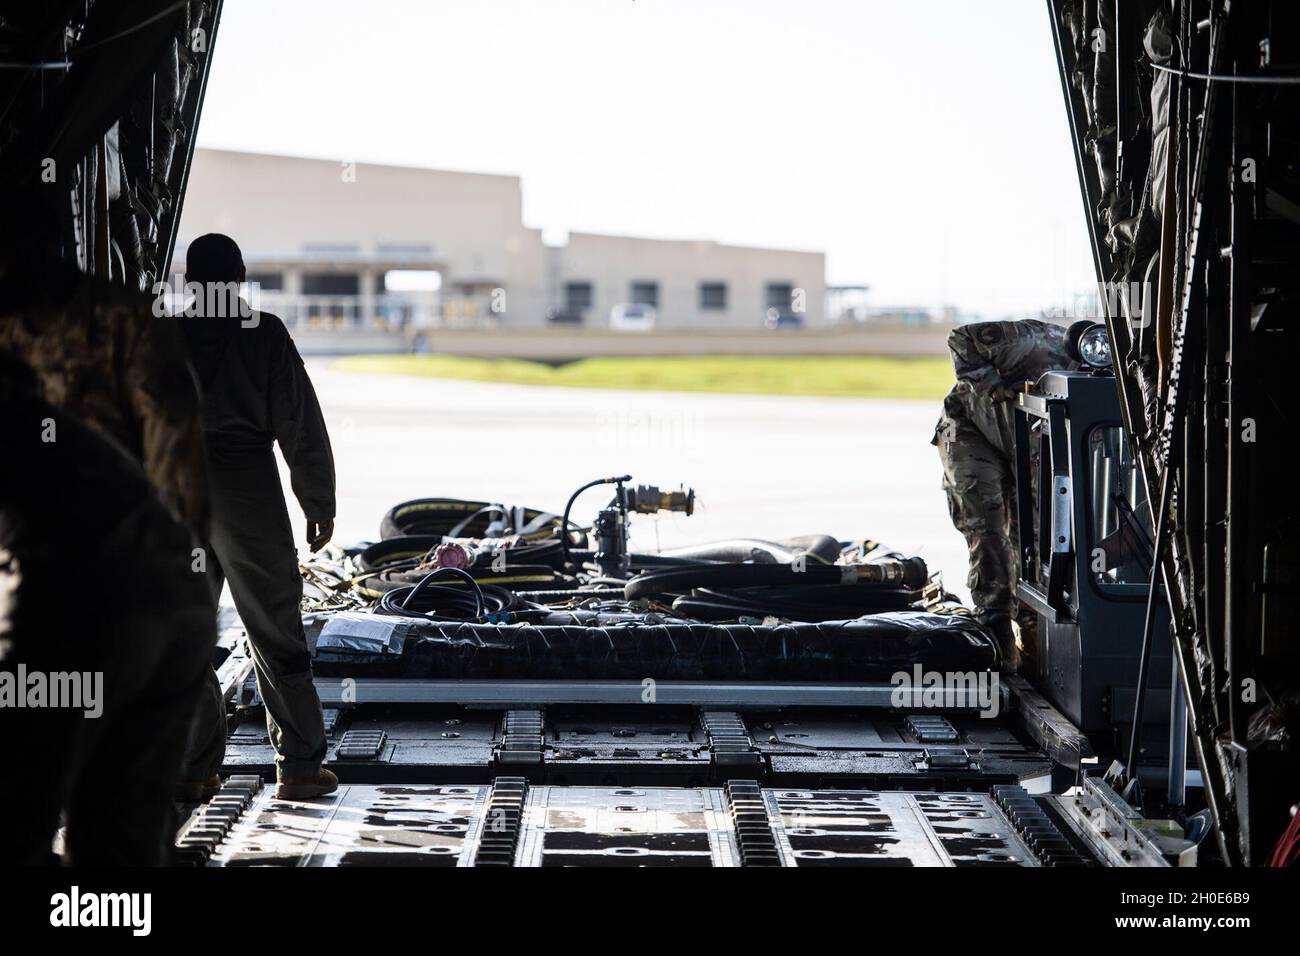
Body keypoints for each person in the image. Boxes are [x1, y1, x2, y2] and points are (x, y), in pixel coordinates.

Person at [0, 261, 218, 865]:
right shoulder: (63, 422)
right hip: (173, 597)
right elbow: (180, 474)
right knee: (117, 846)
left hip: (79, 598)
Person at [179, 232, 338, 800]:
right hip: (247, 489)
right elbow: (299, 420)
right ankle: (297, 765)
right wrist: (317, 501)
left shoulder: (165, 335)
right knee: (275, 628)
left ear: (190, 282)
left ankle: (193, 769)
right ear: (241, 277)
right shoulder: (263, 332)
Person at [932, 319, 1074, 674]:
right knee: (989, 528)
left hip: (1022, 439)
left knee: (1037, 534)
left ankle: (1034, 632)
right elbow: (960, 338)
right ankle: (996, 636)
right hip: (968, 429)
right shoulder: (1031, 339)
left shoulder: (1089, 391)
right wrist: (993, 386)